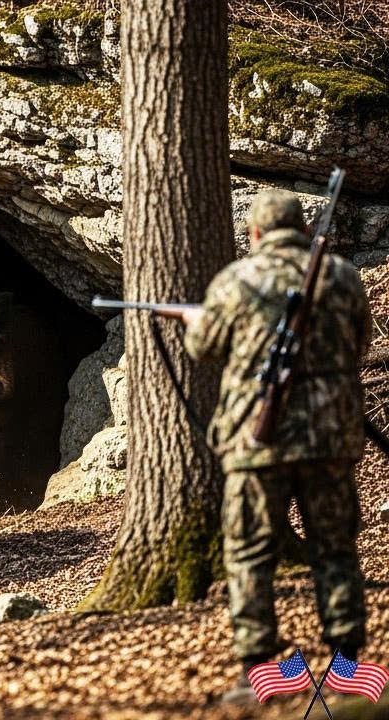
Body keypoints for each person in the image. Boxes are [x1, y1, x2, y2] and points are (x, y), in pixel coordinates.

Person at [176, 190, 370, 701]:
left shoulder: (235, 282)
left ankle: (258, 674)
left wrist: (196, 323)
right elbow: (360, 343)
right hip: (330, 439)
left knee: (250, 554)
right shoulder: (343, 277)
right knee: (335, 550)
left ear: (255, 235)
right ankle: (348, 667)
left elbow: (204, 348)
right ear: (303, 231)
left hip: (257, 442)